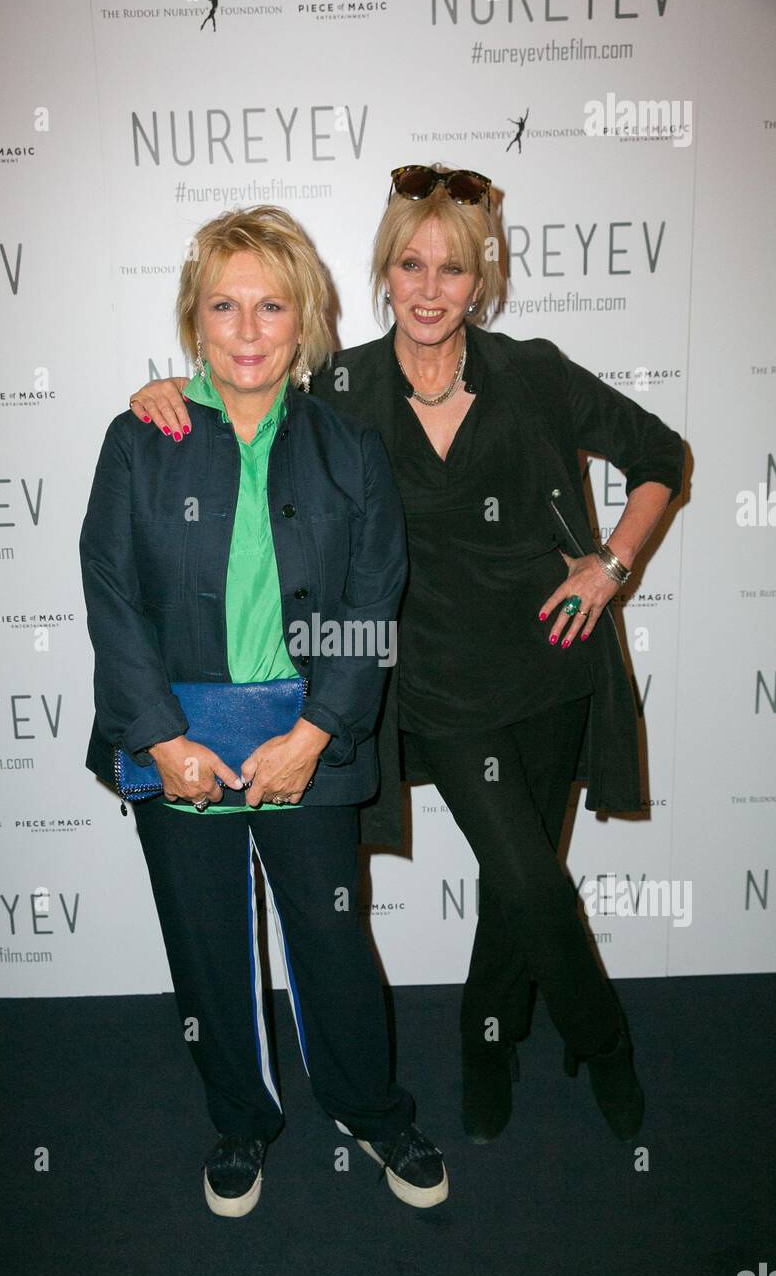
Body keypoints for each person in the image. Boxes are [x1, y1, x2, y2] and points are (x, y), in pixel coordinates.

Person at [125, 165, 686, 1146]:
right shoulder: (341, 387)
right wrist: (173, 389)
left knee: (524, 877)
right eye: (409, 265)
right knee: (524, 870)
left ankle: (486, 1034)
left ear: (482, 280)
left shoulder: (533, 372)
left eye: (452, 271)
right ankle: (602, 1040)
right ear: (383, 271)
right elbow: (248, 402)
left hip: (549, 664)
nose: (429, 290)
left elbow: (658, 456)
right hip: (421, 681)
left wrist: (608, 565)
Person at [79, 205, 448, 1217]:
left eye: (270, 305)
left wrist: (317, 733)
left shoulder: (348, 449)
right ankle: (238, 1119)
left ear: (305, 321)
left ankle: (371, 1109)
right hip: (176, 743)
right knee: (206, 945)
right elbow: (109, 594)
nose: (247, 329)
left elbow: (375, 604)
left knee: (331, 943)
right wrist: (158, 736)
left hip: (310, 741)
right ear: (194, 321)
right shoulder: (138, 439)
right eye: (224, 305)